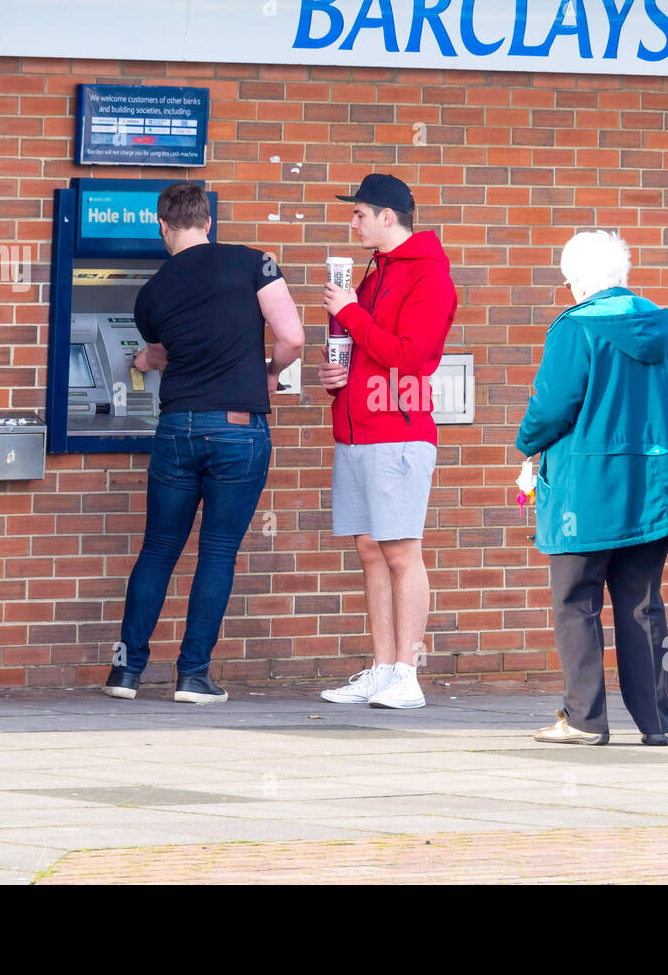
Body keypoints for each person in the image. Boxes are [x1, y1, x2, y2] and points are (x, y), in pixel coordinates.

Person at [102, 182, 304, 703]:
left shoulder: (152, 293)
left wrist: (144, 362)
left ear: (163, 227)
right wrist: (271, 374)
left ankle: (125, 672)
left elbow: (165, 354)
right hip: (237, 428)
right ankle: (192, 676)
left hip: (177, 428)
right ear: (207, 221)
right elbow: (293, 338)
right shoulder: (253, 263)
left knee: (158, 549)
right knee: (216, 552)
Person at [516, 231, 668, 746]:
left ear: (575, 280)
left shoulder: (574, 328)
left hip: (585, 491)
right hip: (651, 488)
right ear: (622, 274)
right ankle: (657, 722)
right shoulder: (666, 327)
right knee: (643, 606)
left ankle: (584, 719)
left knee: (577, 601)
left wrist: (526, 443)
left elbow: (552, 408)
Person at [317, 174, 457, 709]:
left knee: (401, 551)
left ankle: (407, 675)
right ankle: (380, 669)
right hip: (357, 428)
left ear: (388, 217)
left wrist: (348, 312)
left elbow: (409, 356)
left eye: (359, 214)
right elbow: (368, 350)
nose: (353, 223)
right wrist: (338, 378)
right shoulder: (379, 272)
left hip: (397, 432)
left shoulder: (429, 276)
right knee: (370, 550)